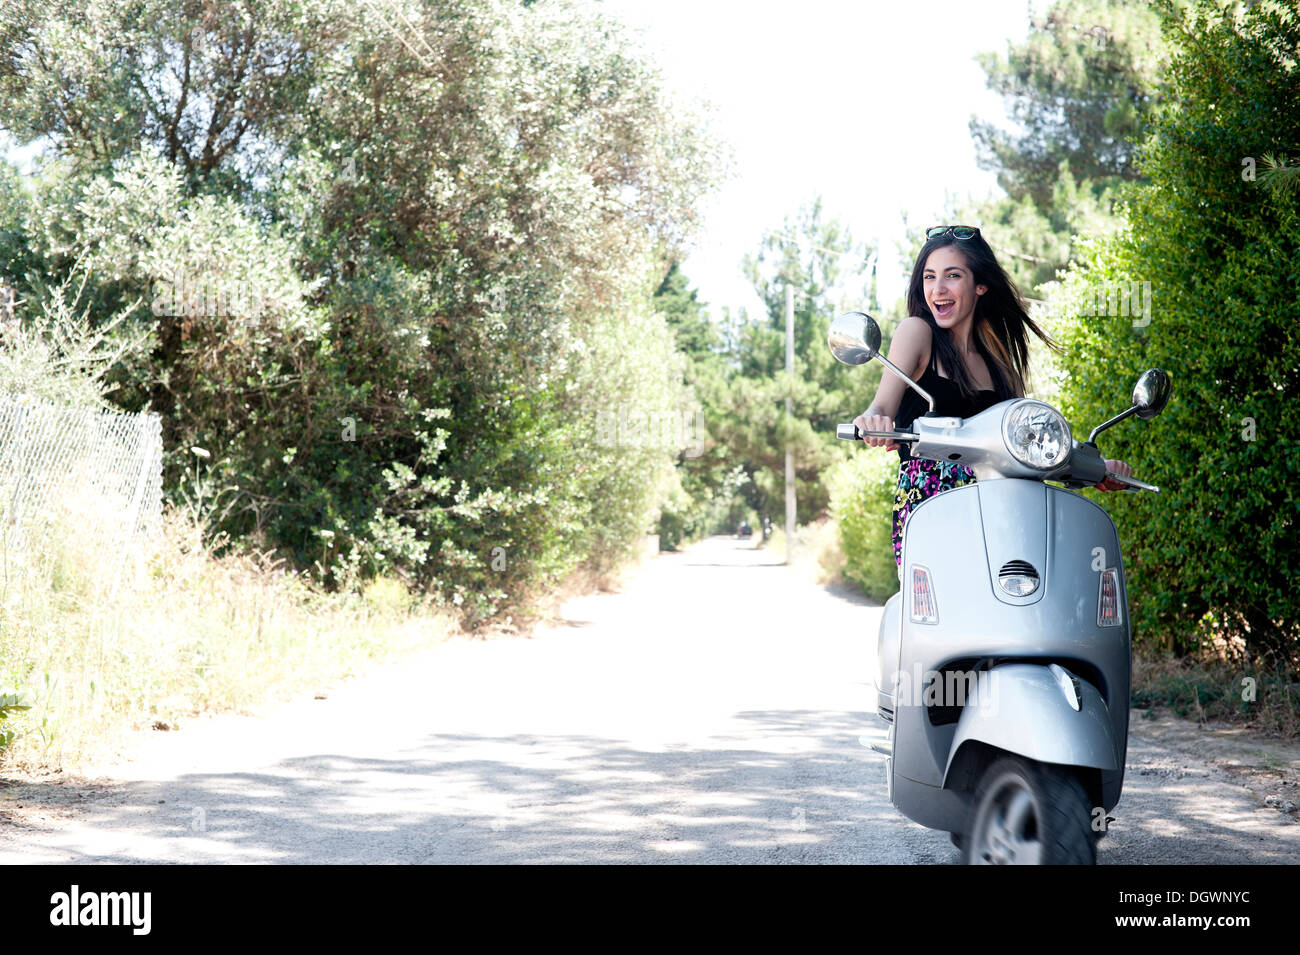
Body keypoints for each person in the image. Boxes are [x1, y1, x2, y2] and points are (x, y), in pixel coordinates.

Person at [852, 225, 1132, 569]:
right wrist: (872, 419)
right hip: (934, 512)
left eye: (952, 276)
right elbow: (882, 405)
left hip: (1006, 513)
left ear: (980, 285)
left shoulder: (1000, 365)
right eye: (929, 277)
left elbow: (1027, 447)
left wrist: (1096, 469)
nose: (938, 289)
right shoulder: (917, 333)